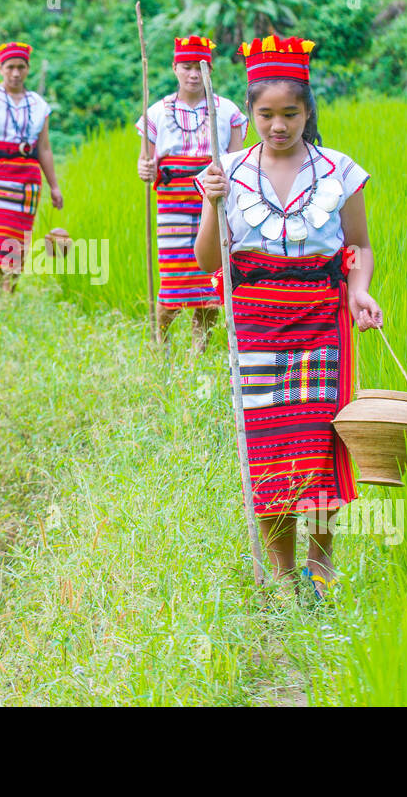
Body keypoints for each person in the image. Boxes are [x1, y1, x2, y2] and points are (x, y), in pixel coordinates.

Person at [193, 34, 383, 605]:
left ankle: (321, 570)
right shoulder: (228, 172)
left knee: (320, 442)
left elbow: (360, 247)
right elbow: (207, 261)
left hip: (322, 319)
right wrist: (210, 201)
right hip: (254, 322)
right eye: (266, 114)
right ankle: (281, 574)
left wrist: (360, 292)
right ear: (248, 113)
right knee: (271, 446)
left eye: (290, 114)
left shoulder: (338, 170)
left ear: (308, 111)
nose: (278, 126)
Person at [136, 35, 246, 355]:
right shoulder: (157, 111)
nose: (194, 74)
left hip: (211, 199)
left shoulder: (227, 111)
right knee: (173, 274)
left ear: (210, 69)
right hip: (172, 201)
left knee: (209, 274)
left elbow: (237, 160)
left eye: (201, 67)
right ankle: (161, 341)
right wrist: (146, 170)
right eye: (187, 67)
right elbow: (146, 162)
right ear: (175, 69)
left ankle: (201, 348)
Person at [0, 41, 64, 293]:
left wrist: (54, 186)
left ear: (28, 69)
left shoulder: (38, 104)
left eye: (21, 67)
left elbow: (44, 148)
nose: (15, 73)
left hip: (27, 180)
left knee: (19, 240)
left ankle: (11, 292)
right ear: (1, 69)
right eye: (10, 67)